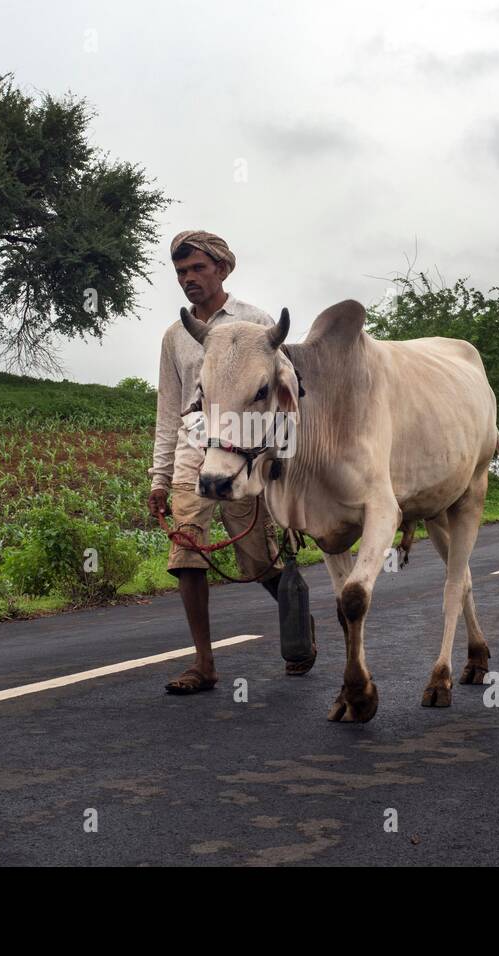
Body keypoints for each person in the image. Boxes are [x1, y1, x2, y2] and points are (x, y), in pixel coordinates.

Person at [146, 229, 315, 695]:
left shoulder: (258, 323)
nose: (188, 279)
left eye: (198, 268)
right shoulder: (175, 337)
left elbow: (284, 398)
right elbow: (169, 408)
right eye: (181, 271)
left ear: (222, 269)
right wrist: (159, 477)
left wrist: (282, 467)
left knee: (259, 560)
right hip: (192, 454)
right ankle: (204, 662)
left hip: (244, 455)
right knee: (186, 554)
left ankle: (297, 620)